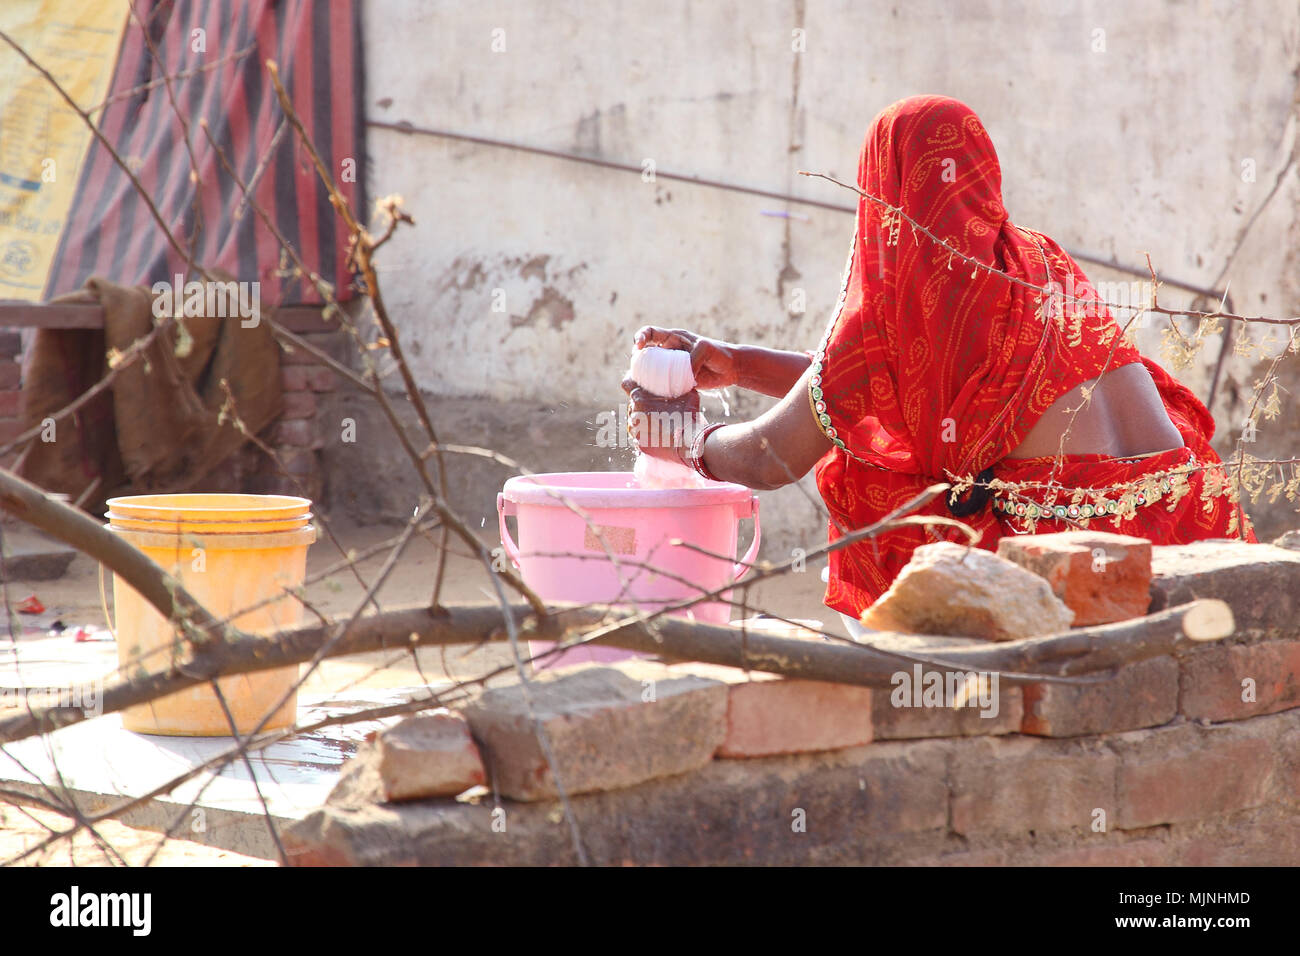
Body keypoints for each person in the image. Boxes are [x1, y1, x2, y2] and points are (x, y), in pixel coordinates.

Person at [623, 94, 1253, 623]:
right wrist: (743, 365)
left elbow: (771, 457)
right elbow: (897, 393)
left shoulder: (886, 321)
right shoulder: (1037, 266)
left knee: (894, 485)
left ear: (884, 193)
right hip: (1191, 523)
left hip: (1076, 565)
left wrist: (686, 440)